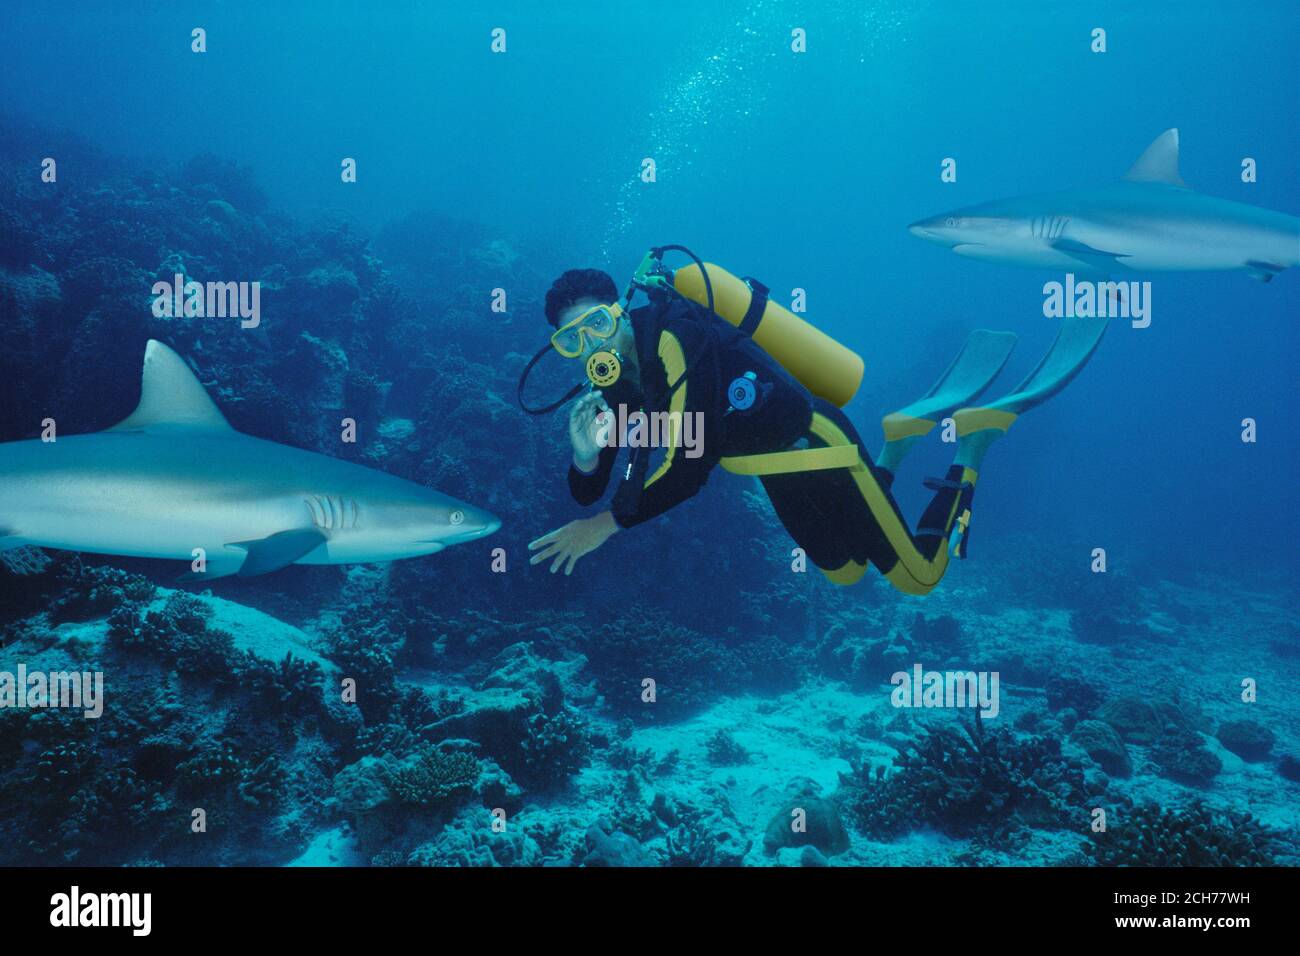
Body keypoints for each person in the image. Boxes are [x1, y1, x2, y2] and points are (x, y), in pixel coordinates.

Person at [525, 261, 1107, 594]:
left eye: (597, 324)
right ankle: (900, 438)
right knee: (846, 573)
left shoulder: (678, 337)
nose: (589, 345)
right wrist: (584, 457)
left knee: (918, 579)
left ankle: (973, 446)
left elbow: (688, 467)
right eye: (570, 340)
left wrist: (604, 525)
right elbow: (601, 482)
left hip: (819, 448)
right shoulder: (620, 380)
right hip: (771, 469)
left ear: (621, 311)